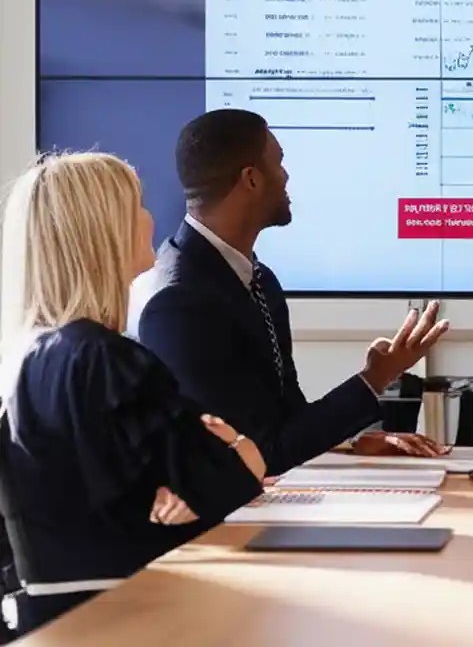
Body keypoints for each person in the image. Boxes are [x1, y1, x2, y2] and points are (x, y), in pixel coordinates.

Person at [0, 153, 267, 635]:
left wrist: (196, 474)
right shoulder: (103, 361)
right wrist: (236, 450)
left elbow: (171, 487)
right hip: (127, 618)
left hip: (55, 622)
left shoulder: (30, 358)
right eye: (137, 206)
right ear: (101, 231)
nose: (150, 218)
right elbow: (225, 479)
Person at [129, 109, 450, 477]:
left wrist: (352, 443)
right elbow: (262, 453)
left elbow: (287, 420)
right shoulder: (178, 302)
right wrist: (373, 379)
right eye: (278, 163)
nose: (286, 176)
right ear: (251, 179)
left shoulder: (259, 280)